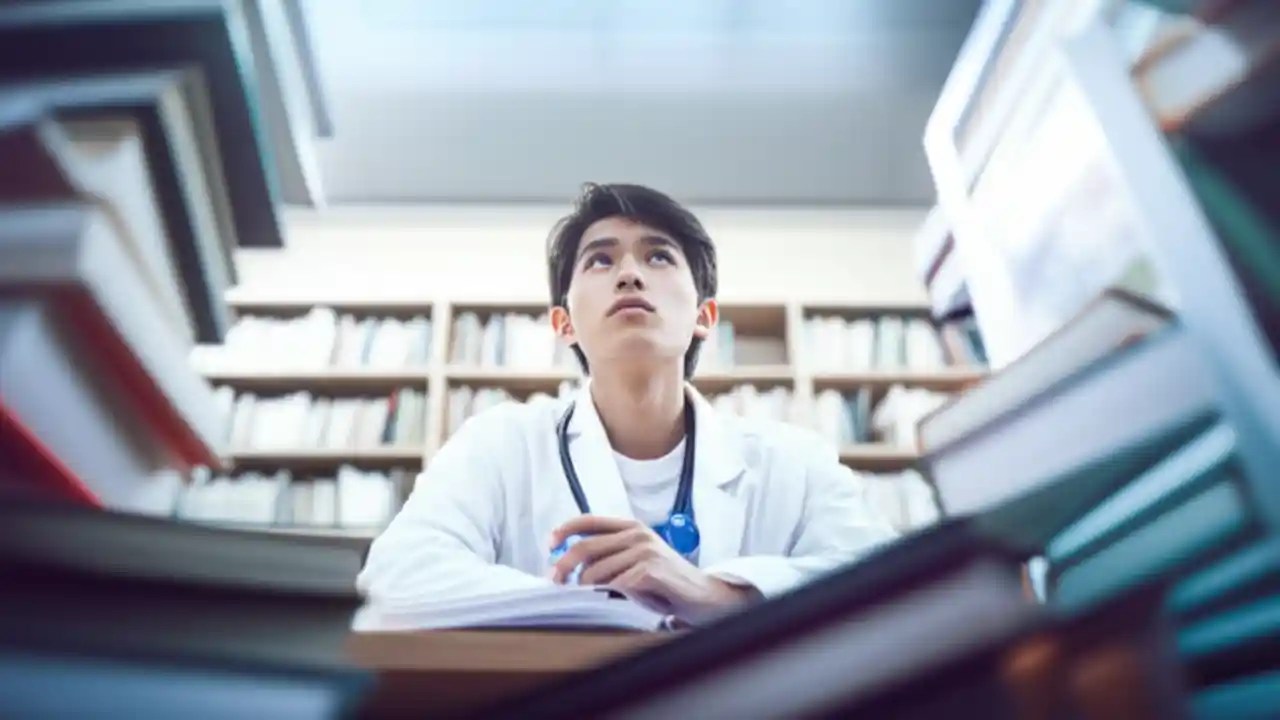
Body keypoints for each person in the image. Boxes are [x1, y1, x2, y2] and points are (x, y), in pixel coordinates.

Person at [355, 183, 896, 628]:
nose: (630, 273)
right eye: (600, 260)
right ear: (563, 324)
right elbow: (399, 575)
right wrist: (611, 606)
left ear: (706, 316)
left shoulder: (792, 459)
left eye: (658, 256)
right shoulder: (497, 443)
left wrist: (714, 594)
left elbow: (885, 579)